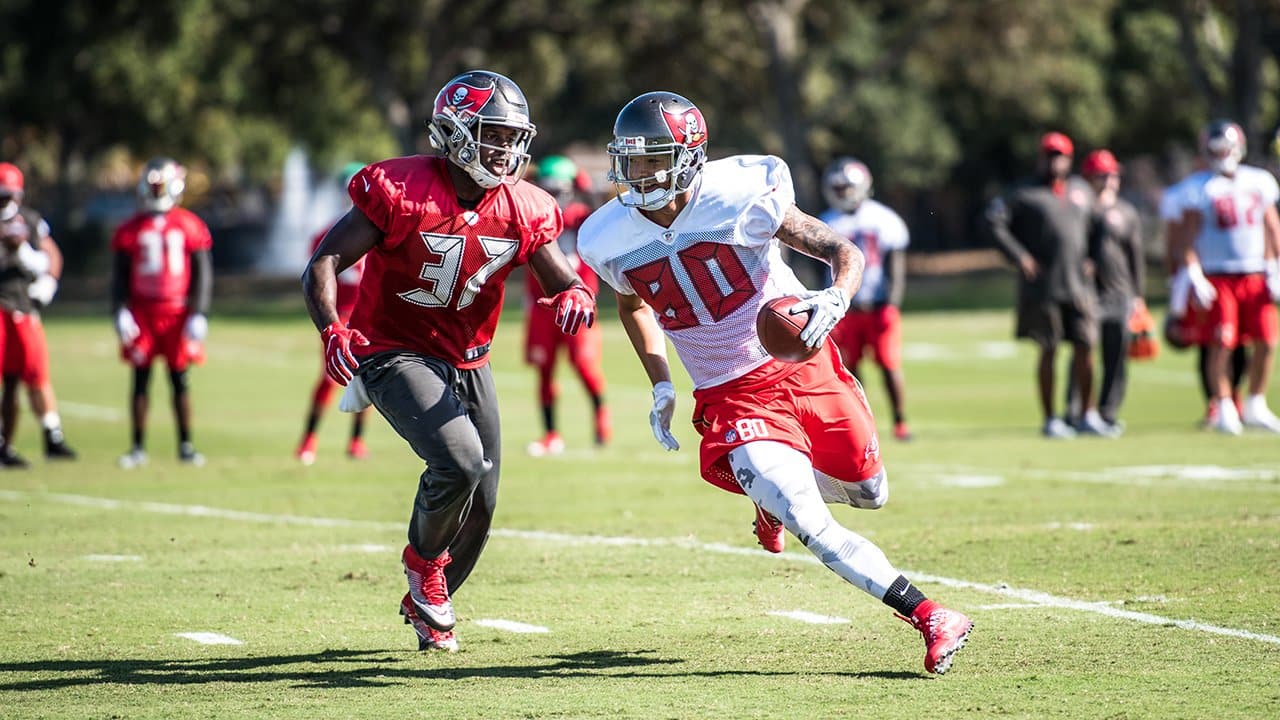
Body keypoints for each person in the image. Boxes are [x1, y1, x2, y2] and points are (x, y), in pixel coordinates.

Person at [577, 91, 972, 675]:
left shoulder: (738, 192)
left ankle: (773, 506)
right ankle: (931, 615)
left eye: (652, 159)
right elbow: (633, 303)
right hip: (728, 394)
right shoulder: (606, 234)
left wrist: (835, 299)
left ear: (687, 158)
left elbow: (839, 249)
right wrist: (661, 383)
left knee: (870, 493)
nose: (638, 174)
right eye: (630, 160)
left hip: (800, 364)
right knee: (809, 518)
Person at [301, 70, 596, 653]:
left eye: (514, 137)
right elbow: (323, 263)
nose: (506, 150)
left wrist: (576, 295)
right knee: (460, 464)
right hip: (393, 349)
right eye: (494, 135)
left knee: (483, 497)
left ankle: (428, 600)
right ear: (456, 132)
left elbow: (561, 275)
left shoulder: (524, 206)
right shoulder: (401, 188)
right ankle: (423, 566)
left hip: (470, 358)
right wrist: (332, 327)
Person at [987, 132, 1114, 438]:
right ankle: (1051, 418)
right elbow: (994, 223)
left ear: (1069, 159)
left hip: (1079, 286)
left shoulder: (1080, 190)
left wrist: (1093, 259)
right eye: (1049, 155)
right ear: (1040, 158)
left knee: (1086, 347)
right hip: (1044, 288)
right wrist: (1021, 257)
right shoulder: (1023, 194)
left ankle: (1088, 414)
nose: (1054, 161)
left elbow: (1100, 227)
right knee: (1049, 350)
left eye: (1060, 155)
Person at [1163, 120, 1280, 434]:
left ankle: (1256, 403)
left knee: (1267, 340)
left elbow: (1272, 227)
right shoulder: (1199, 188)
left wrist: (1275, 267)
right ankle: (1224, 404)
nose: (1221, 154)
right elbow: (1186, 239)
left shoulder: (1260, 181)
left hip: (1254, 272)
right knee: (1221, 342)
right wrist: (1193, 274)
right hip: (1218, 277)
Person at [111, 157, 213, 468]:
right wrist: (119, 310)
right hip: (143, 311)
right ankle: (138, 447)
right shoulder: (129, 229)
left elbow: (202, 272)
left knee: (179, 379)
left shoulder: (189, 225)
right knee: (140, 380)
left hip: (178, 311)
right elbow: (119, 276)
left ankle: (185, 445)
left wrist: (199, 312)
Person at [819, 157, 913, 441]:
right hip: (842, 308)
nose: (843, 193)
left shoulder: (883, 218)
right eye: (838, 188)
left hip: (877, 305)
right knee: (849, 371)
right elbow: (817, 270)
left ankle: (900, 422)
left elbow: (895, 264)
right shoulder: (826, 221)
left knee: (888, 364)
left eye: (847, 187)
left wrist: (892, 303)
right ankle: (862, 424)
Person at [524, 154, 609, 456]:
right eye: (550, 191)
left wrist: (586, 186)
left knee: (585, 367)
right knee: (544, 370)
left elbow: (606, 216)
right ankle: (550, 434)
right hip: (542, 307)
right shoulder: (533, 214)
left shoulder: (580, 215)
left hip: (578, 307)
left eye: (561, 190)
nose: (556, 197)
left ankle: (601, 420)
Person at [0, 162, 77, 467]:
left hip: (24, 308)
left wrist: (47, 281)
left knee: (30, 374)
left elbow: (51, 255)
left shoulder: (29, 221)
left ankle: (50, 435)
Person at [295, 163, 372, 465]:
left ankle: (356, 442)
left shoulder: (383, 226)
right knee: (330, 376)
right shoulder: (327, 233)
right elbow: (316, 277)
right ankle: (308, 440)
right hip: (338, 312)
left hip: (366, 312)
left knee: (366, 377)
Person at [1075, 149, 1145, 432]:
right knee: (1084, 351)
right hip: (1088, 292)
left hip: (1119, 293)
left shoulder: (1126, 212)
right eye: (1102, 175)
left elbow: (1135, 256)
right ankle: (1077, 410)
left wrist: (1138, 295)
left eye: (1112, 175)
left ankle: (1107, 411)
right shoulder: (1081, 209)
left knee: (1116, 358)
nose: (1108, 181)